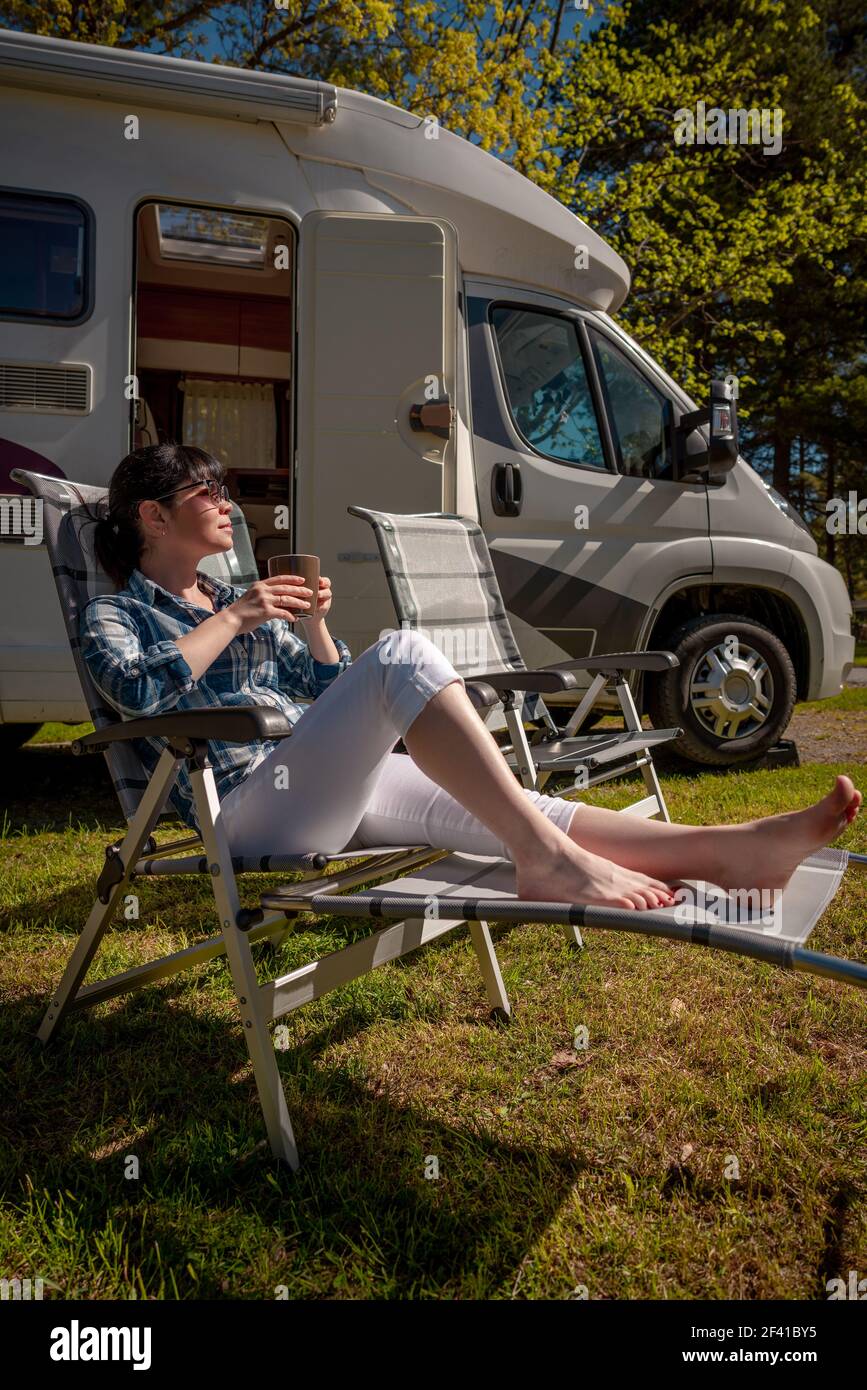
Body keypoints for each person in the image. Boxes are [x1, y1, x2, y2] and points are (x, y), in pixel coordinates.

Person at [80, 444, 861, 912]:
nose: (226, 501)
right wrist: (238, 619)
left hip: (319, 790)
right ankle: (546, 863)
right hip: (244, 809)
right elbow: (137, 693)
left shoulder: (229, 599)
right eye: (205, 490)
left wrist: (310, 626)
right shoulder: (116, 614)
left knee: (518, 803)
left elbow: (328, 695)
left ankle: (729, 850)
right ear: (152, 516)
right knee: (402, 653)